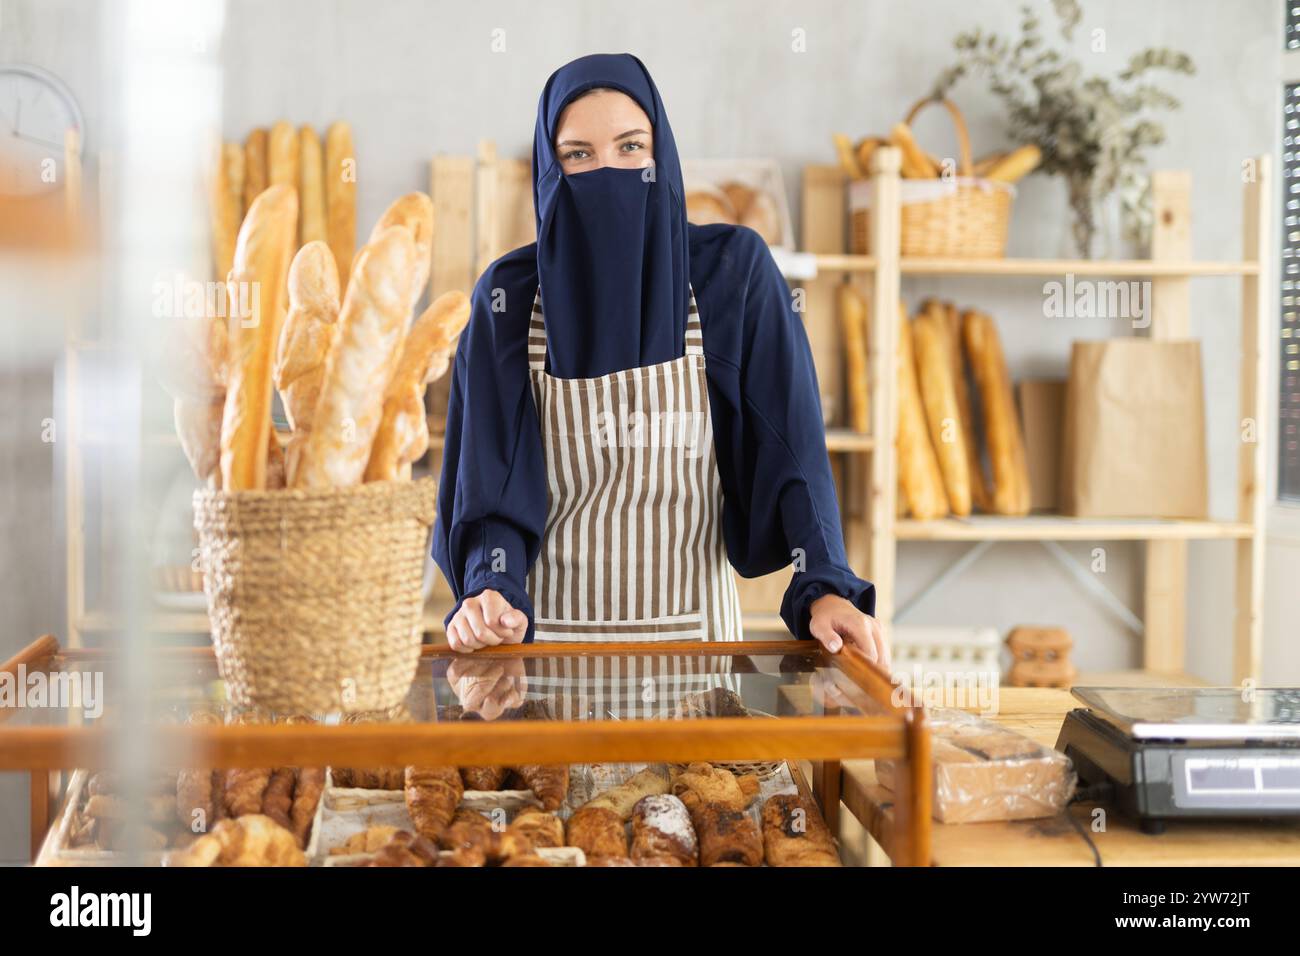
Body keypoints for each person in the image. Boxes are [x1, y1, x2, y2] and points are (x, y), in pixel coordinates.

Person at [432, 53, 888, 674]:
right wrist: (489, 589)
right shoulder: (507, 299)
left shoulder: (733, 274)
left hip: (695, 662)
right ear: (548, 167)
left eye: (630, 147)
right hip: (541, 669)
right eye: (579, 155)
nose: (608, 172)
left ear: (661, 154)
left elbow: (795, 451)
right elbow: (486, 483)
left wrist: (827, 583)